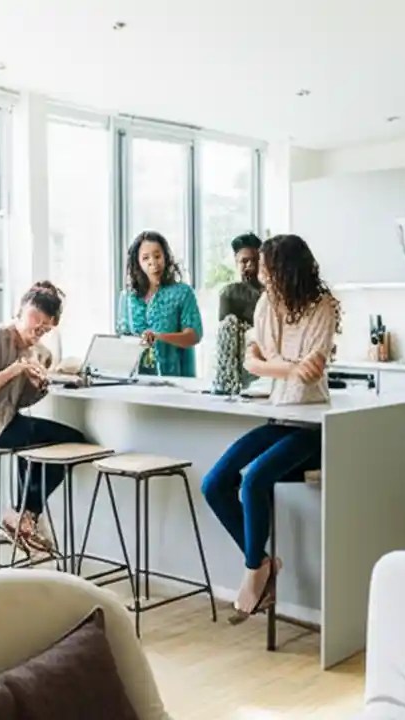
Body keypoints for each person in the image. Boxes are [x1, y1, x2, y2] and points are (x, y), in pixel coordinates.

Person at [200, 234, 340, 621]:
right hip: (279, 415)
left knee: (254, 481)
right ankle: (262, 562)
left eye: (265, 268)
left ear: (286, 269)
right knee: (214, 483)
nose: (260, 276)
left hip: (312, 425)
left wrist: (270, 362)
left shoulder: (323, 306)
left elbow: (306, 372)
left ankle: (252, 573)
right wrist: (285, 365)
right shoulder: (266, 304)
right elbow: (260, 365)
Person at [0, 281, 86, 553]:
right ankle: (23, 514)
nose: (38, 330)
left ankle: (22, 514)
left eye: (46, 327)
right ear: (21, 310)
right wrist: (16, 369)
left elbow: (22, 401)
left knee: (69, 442)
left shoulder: (40, 353)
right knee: (55, 441)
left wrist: (40, 385)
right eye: (36, 320)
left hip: (10, 422)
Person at [117, 230, 203, 377]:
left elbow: (194, 336)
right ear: (137, 262)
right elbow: (122, 338)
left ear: (165, 257)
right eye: (145, 258)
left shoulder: (183, 292)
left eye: (157, 256)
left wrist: (159, 336)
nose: (153, 262)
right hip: (136, 381)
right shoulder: (127, 297)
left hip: (177, 381)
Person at [218, 232, 264, 325]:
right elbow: (226, 330)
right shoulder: (229, 294)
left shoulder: (273, 291)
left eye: (255, 260)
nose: (250, 265)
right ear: (236, 262)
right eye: (244, 261)